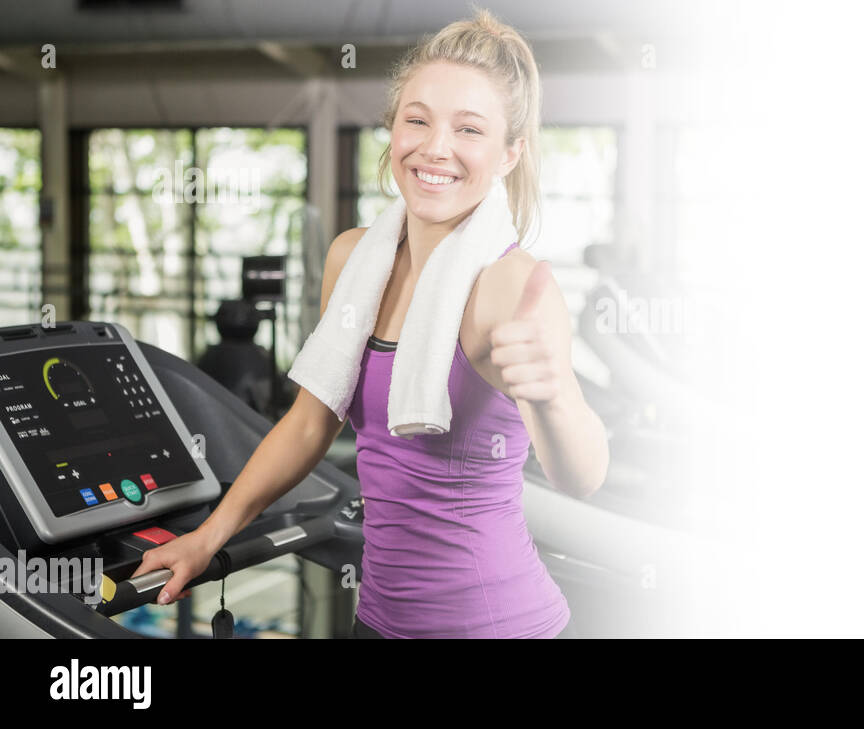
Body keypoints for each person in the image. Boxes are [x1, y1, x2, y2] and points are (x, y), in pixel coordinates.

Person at [131, 9, 609, 639]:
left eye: (470, 129)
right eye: (418, 120)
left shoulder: (512, 285)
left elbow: (582, 477)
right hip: (378, 622)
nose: (436, 147)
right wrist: (206, 537)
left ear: (509, 153)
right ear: (393, 129)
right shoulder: (354, 260)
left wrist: (557, 395)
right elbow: (308, 424)